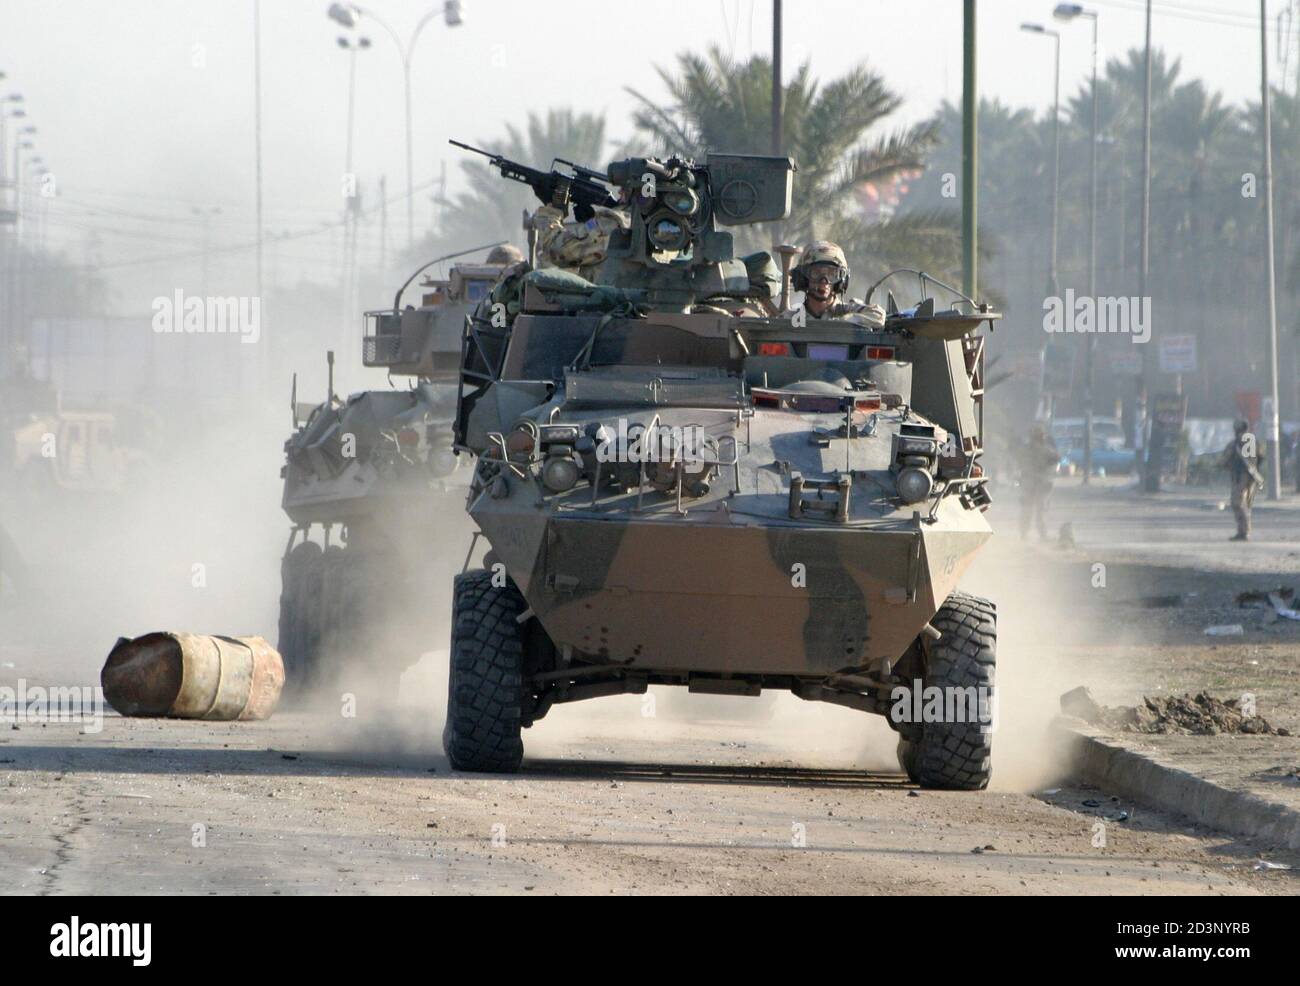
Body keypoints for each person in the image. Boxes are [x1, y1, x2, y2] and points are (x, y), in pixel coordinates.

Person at [786, 241, 886, 328]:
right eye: (816, 273)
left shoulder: (848, 310)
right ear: (803, 278)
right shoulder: (791, 318)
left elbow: (878, 315)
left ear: (841, 281)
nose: (824, 281)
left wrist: (844, 322)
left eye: (831, 274)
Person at [530, 200, 628, 281]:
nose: (620, 192)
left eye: (624, 188)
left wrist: (550, 213)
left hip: (604, 301)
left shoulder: (615, 221)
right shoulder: (632, 219)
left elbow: (559, 251)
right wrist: (589, 222)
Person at [1222, 418, 1265, 541]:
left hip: (1240, 477)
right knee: (1245, 504)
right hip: (1252, 477)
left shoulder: (1236, 443)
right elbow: (1261, 457)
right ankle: (1244, 530)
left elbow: (1225, 459)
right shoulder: (1253, 441)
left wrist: (1224, 466)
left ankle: (1244, 531)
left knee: (1237, 503)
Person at [1017, 424, 1060, 541]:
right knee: (1041, 510)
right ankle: (1042, 534)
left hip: (1028, 483)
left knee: (1026, 510)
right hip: (1041, 483)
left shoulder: (1024, 449)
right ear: (1041, 437)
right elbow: (1057, 457)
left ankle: (1024, 534)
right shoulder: (1045, 449)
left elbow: (1018, 461)